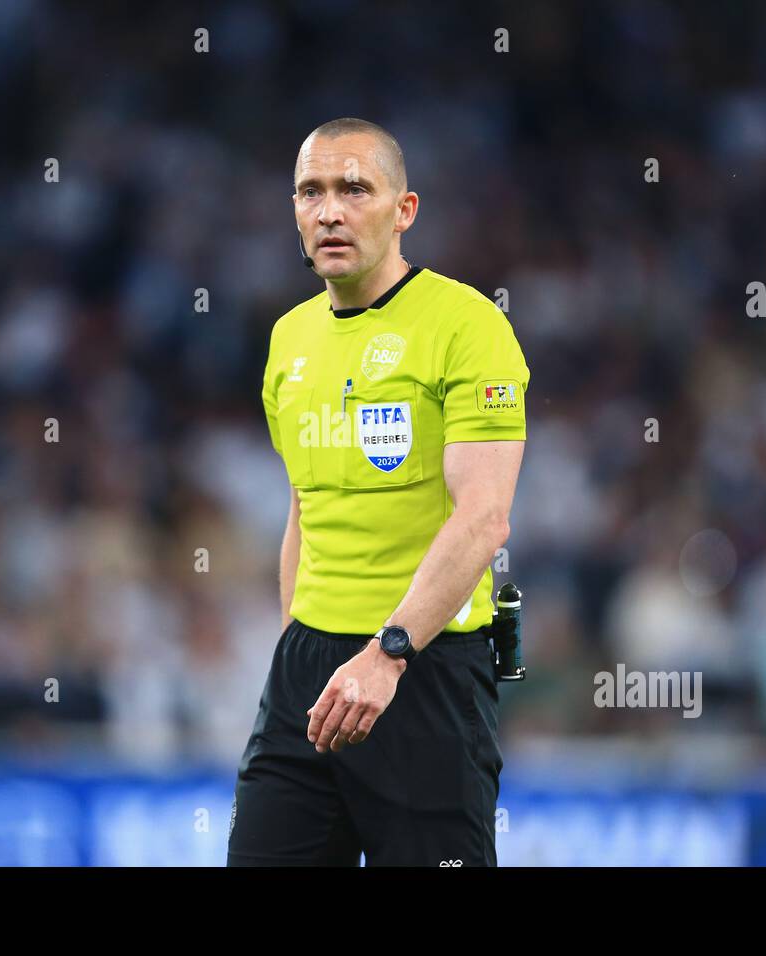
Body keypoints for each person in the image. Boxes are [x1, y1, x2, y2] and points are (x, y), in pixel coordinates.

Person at [226, 118, 529, 866]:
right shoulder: (289, 340)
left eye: (353, 188)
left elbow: (485, 519)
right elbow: (306, 505)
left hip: (424, 670)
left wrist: (387, 653)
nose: (329, 211)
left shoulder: (468, 326)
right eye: (311, 192)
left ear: (405, 210)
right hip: (312, 680)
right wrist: (300, 643)